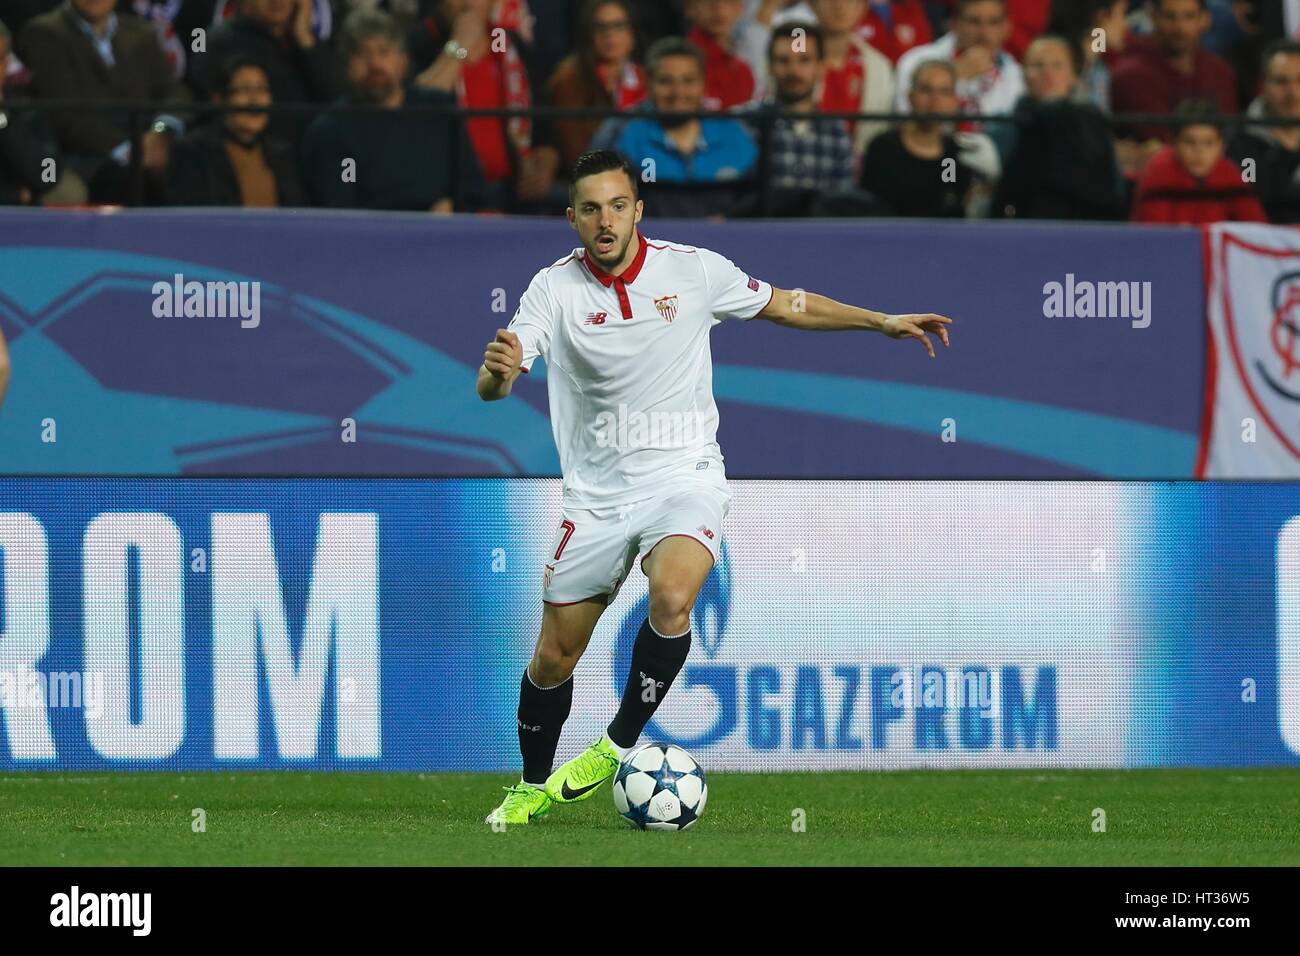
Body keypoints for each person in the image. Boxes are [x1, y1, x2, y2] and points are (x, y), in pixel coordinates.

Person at [476, 148, 952, 825]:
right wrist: (498, 374)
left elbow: (787, 305)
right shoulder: (552, 290)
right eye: (590, 209)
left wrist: (879, 321)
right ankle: (529, 786)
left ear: (638, 209)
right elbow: (499, 380)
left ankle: (617, 744)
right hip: (598, 497)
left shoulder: (693, 271)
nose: (605, 220)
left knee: (672, 595)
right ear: (572, 218)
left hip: (684, 474)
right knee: (554, 657)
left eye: (617, 205)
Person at [302, 9, 484, 211]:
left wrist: (451, 210)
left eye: (384, 51)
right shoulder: (331, 130)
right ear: (347, 66)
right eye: (362, 54)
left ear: (403, 61)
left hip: (444, 234)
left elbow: (473, 189)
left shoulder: (439, 110)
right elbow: (341, 209)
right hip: (371, 238)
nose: (375, 64)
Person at [18, 0, 190, 203]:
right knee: (121, 180)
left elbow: (174, 92)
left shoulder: (142, 31)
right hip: (84, 157)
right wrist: (131, 151)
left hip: (149, 147)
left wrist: (161, 131)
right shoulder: (44, 33)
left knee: (193, 163)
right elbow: (66, 115)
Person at [610, 37, 758, 217]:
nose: (678, 92)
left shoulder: (734, 134)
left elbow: (755, 198)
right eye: (665, 81)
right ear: (648, 85)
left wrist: (729, 219)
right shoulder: (627, 138)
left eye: (688, 81)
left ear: (703, 85)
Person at [993, 35, 1125, 220]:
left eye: (1057, 66)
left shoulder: (1093, 123)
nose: (1047, 74)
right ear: (1023, 73)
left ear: (1073, 75)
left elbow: (1112, 187)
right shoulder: (1003, 128)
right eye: (1038, 65)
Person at [189, 0, 345, 145]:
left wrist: (304, 37)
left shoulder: (307, 43)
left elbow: (337, 101)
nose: (277, 1)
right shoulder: (219, 44)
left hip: (309, 157)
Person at [860, 58, 998, 216]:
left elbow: (951, 202)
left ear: (954, 101)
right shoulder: (884, 148)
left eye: (944, 92)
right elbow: (870, 206)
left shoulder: (952, 156)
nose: (934, 99)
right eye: (926, 90)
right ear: (910, 96)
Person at [166, 56, 305, 207]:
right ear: (219, 99)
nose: (255, 100)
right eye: (244, 90)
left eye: (262, 89)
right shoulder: (193, 152)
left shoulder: (282, 155)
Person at [1111, 0, 1238, 143]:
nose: (1180, 28)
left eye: (1189, 16)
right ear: (1153, 17)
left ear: (1205, 19)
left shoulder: (1219, 71)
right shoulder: (1132, 74)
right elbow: (1159, 139)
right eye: (1170, 17)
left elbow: (1229, 134)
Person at [1131, 99, 1267, 223]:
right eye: (1189, 142)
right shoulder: (1158, 172)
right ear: (1174, 143)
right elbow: (1152, 234)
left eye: (1208, 143)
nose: (1199, 151)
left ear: (1222, 146)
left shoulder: (1229, 172)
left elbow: (1255, 226)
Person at [547, 0, 646, 171]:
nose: (610, 35)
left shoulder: (648, 79)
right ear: (588, 34)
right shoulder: (568, 79)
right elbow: (575, 153)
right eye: (601, 27)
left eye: (618, 25)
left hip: (640, 176)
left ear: (632, 33)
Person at [894, 0, 1025, 129]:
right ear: (955, 24)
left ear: (1007, 27)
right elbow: (904, 120)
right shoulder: (916, 61)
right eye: (974, 22)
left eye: (993, 22)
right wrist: (954, 76)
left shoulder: (1016, 75)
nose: (984, 33)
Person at [0, 17, 88, 206]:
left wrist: (2, 119)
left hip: (19, 210)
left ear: (7, 64)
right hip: (12, 197)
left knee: (68, 192)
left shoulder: (26, 107)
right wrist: (13, 196)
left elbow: (49, 174)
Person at [1229, 40, 1300, 223]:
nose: (1293, 93)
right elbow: (1249, 194)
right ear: (1264, 85)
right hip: (1261, 243)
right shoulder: (1240, 141)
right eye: (1281, 81)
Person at [1046, 0, 1128, 112]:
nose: (1125, 25)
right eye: (1122, 14)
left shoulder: (1099, 70)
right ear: (1101, 17)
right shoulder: (1056, 69)